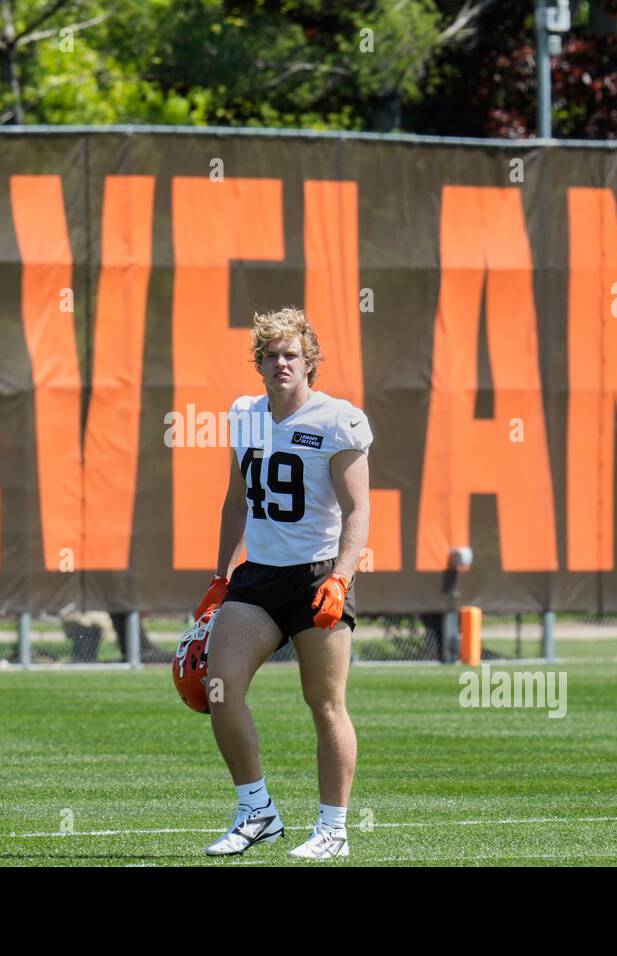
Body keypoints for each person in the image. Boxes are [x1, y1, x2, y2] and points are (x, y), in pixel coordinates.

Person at [194, 306, 372, 860]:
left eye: (291, 354)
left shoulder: (336, 418)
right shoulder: (244, 415)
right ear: (260, 364)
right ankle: (256, 811)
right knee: (219, 689)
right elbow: (234, 500)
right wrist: (221, 577)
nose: (280, 364)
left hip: (317, 575)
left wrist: (342, 578)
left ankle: (334, 828)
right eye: (270, 356)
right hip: (259, 578)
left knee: (324, 703)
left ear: (309, 361)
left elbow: (358, 509)